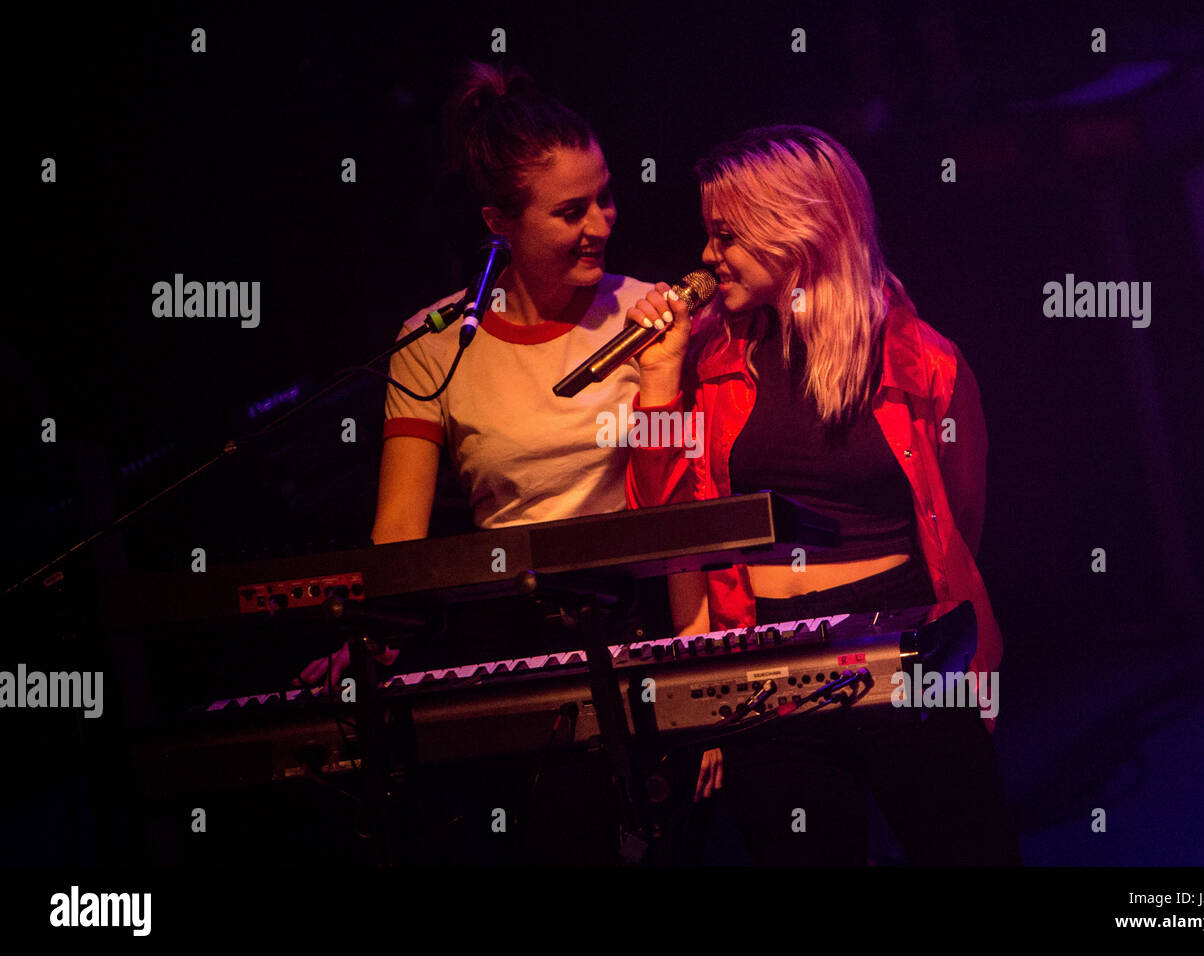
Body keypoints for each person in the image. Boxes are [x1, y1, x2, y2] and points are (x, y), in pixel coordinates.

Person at [626, 125, 1020, 865]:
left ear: (796, 232)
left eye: (726, 236)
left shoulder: (920, 360)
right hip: (766, 671)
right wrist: (656, 383)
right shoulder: (709, 358)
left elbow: (959, 519)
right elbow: (661, 529)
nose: (708, 256)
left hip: (909, 659)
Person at [294, 62, 654, 865]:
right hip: (504, 632)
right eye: (571, 210)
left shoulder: (647, 313)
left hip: (629, 615)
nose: (601, 223)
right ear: (500, 221)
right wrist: (370, 640)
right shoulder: (430, 340)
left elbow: (690, 488)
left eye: (606, 197)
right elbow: (400, 530)